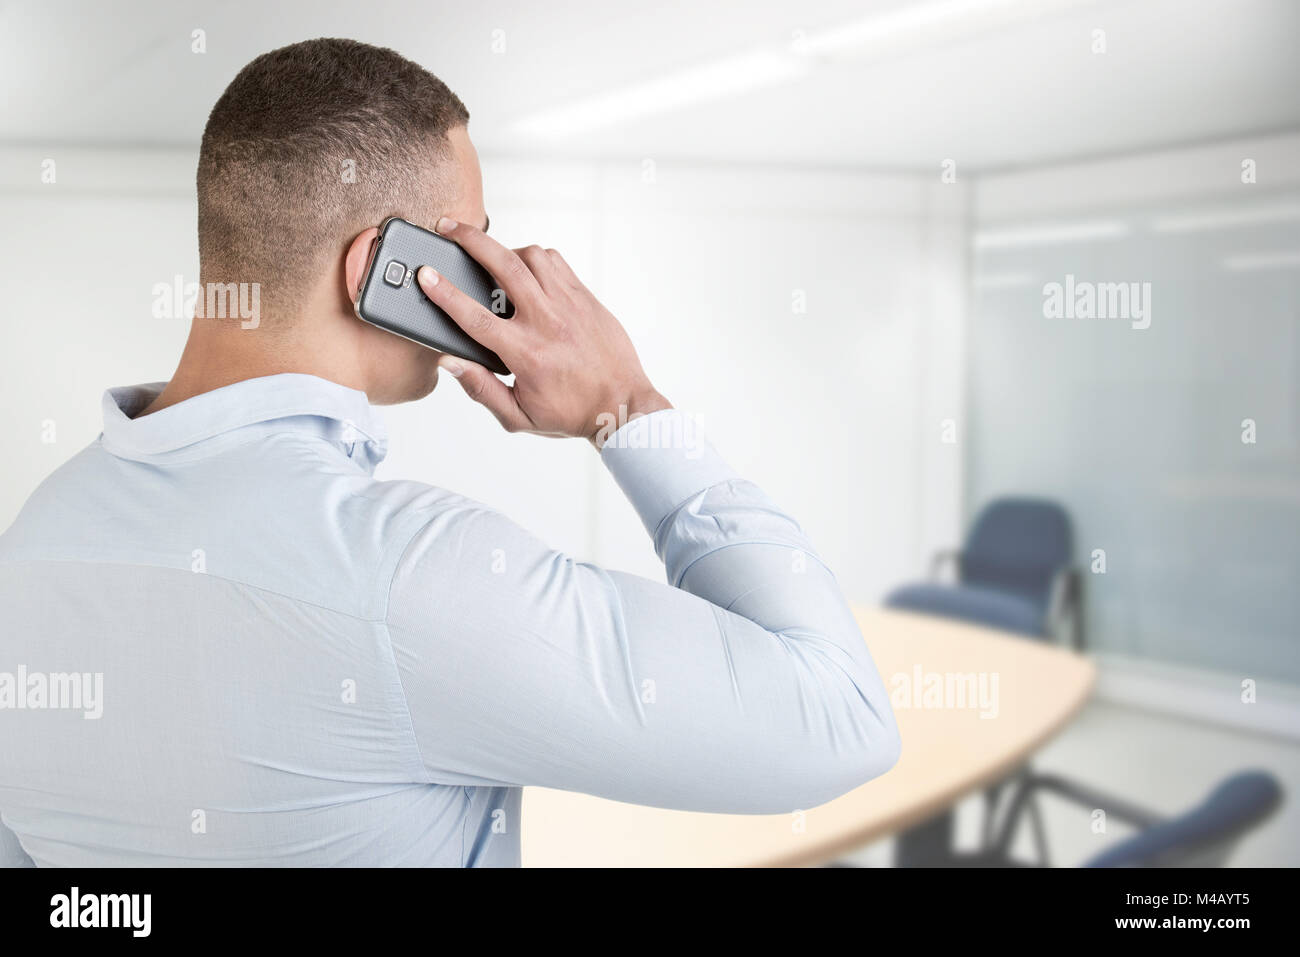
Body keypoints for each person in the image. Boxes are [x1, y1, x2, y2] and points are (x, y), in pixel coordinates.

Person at [0, 38, 898, 867]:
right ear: (381, 270)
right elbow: (840, 712)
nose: (492, 275)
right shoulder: (412, 575)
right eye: (469, 242)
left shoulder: (36, 539)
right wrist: (626, 406)